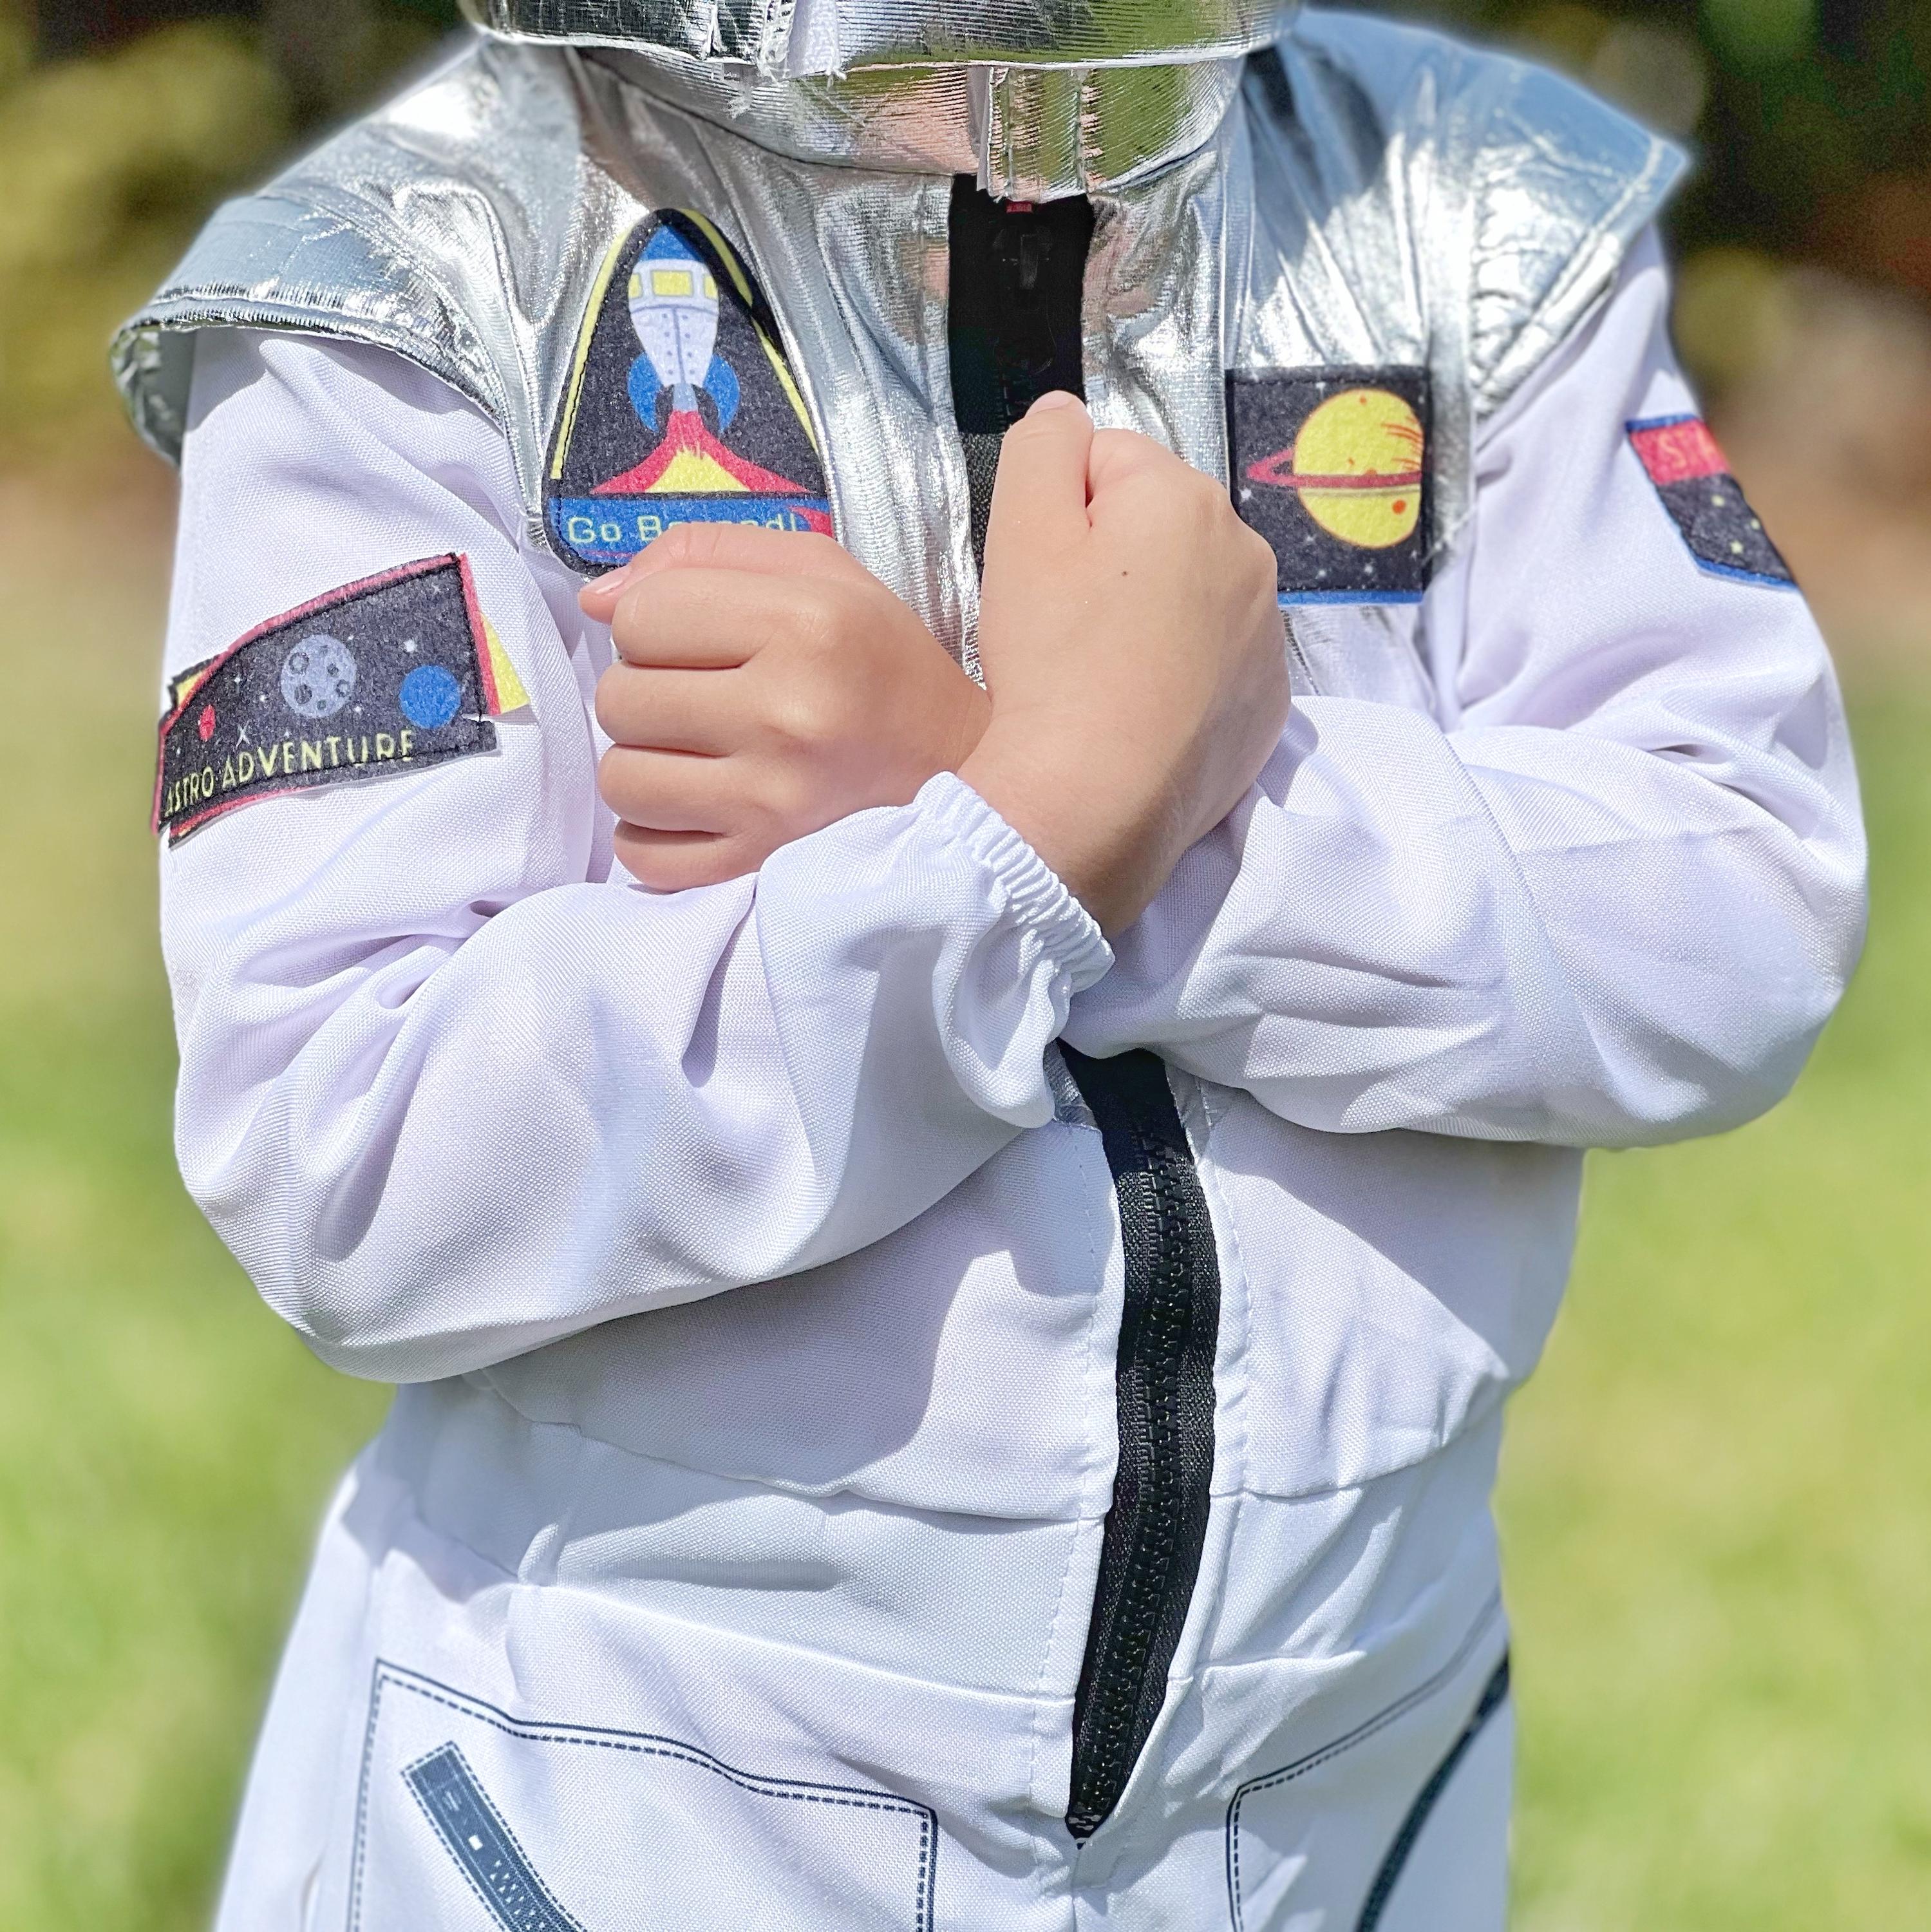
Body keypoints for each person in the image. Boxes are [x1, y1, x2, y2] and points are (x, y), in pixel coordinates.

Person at [116, 4, 1867, 1927]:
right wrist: (1019, 840)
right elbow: (360, 1154)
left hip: (1338, 1783)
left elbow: (1737, 903)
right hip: (637, 1794)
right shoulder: (421, 276)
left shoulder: (1464, 202)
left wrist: (1070, 809)